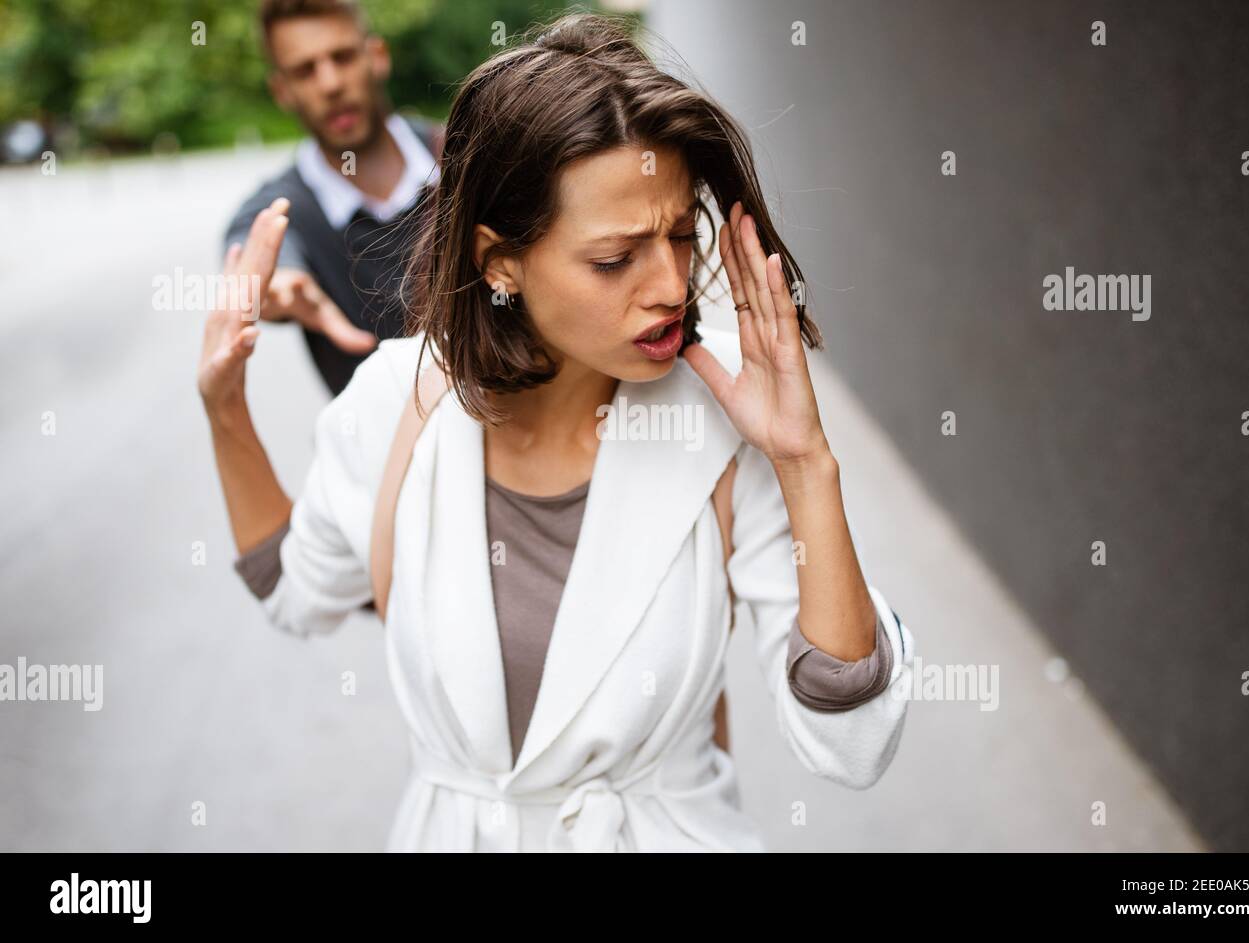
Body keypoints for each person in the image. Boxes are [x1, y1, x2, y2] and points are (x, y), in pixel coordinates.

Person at [198, 12, 916, 852]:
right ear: (499, 260)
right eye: (615, 259)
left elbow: (851, 744)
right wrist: (225, 410)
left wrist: (805, 462)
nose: (671, 286)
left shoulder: (730, 417)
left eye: (683, 236)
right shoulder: (396, 400)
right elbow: (296, 592)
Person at [224, 0, 445, 396]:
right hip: (376, 455)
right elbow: (254, 249)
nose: (330, 84)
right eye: (304, 70)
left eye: (342, 57)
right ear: (281, 90)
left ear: (377, 57)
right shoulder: (282, 208)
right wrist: (276, 280)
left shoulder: (466, 155)